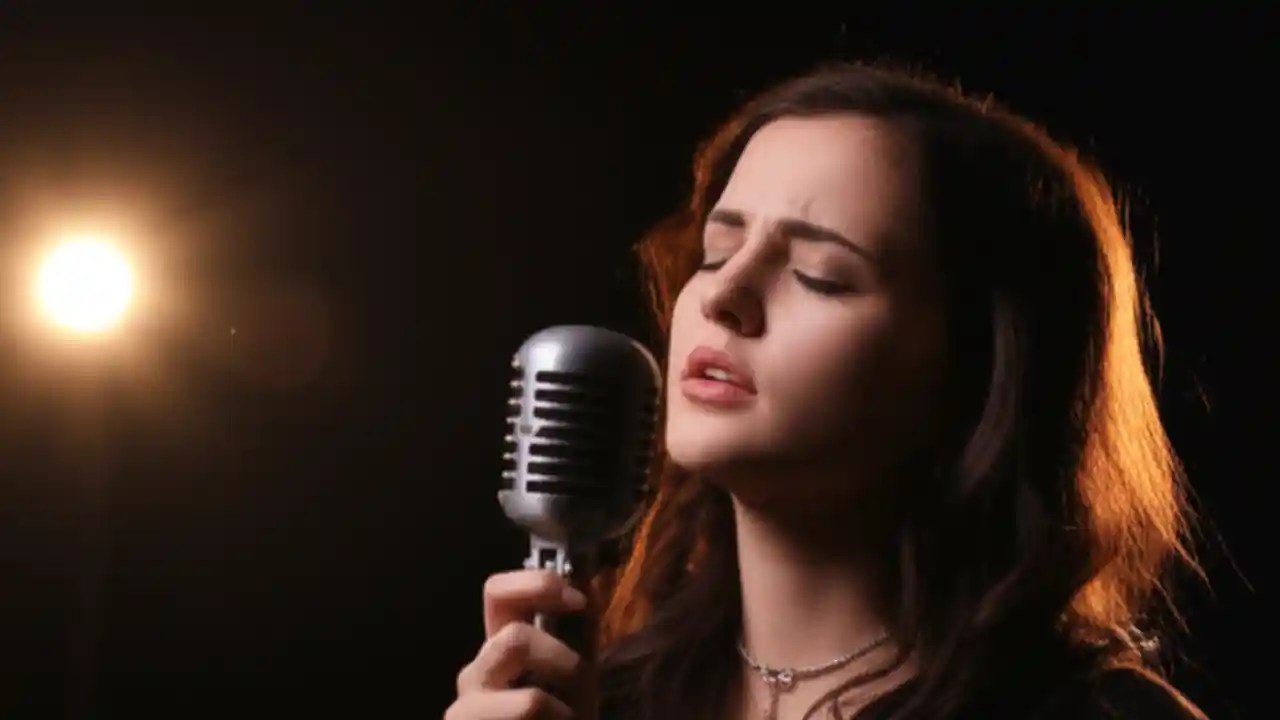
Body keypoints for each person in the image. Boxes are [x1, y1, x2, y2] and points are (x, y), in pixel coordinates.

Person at [445, 61, 1211, 719]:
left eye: (821, 275)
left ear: (982, 370)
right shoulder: (599, 702)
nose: (724, 296)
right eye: (716, 252)